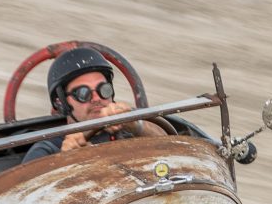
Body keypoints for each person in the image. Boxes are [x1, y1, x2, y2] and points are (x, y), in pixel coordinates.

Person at [21, 47, 166, 163]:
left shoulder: (133, 131)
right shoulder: (47, 150)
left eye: (103, 89)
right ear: (61, 102)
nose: (96, 98)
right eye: (83, 93)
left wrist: (136, 124)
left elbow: (172, 147)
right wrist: (65, 162)